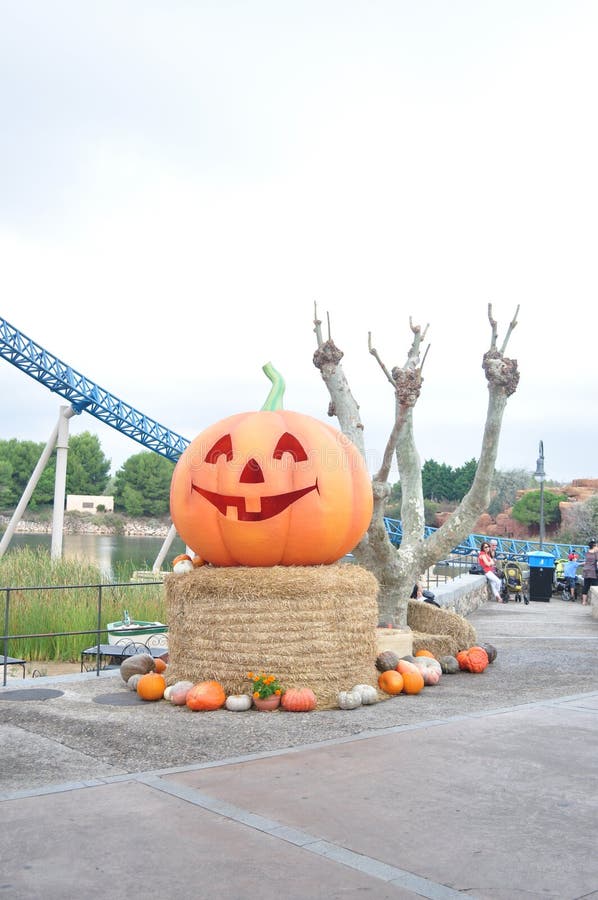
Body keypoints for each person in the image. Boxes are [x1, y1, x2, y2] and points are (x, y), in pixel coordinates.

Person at [581, 540, 598, 606]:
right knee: (595, 587)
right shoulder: (596, 553)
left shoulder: (587, 552)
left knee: (586, 586)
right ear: (594, 546)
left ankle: (584, 602)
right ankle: (594, 603)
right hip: (593, 572)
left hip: (586, 571)